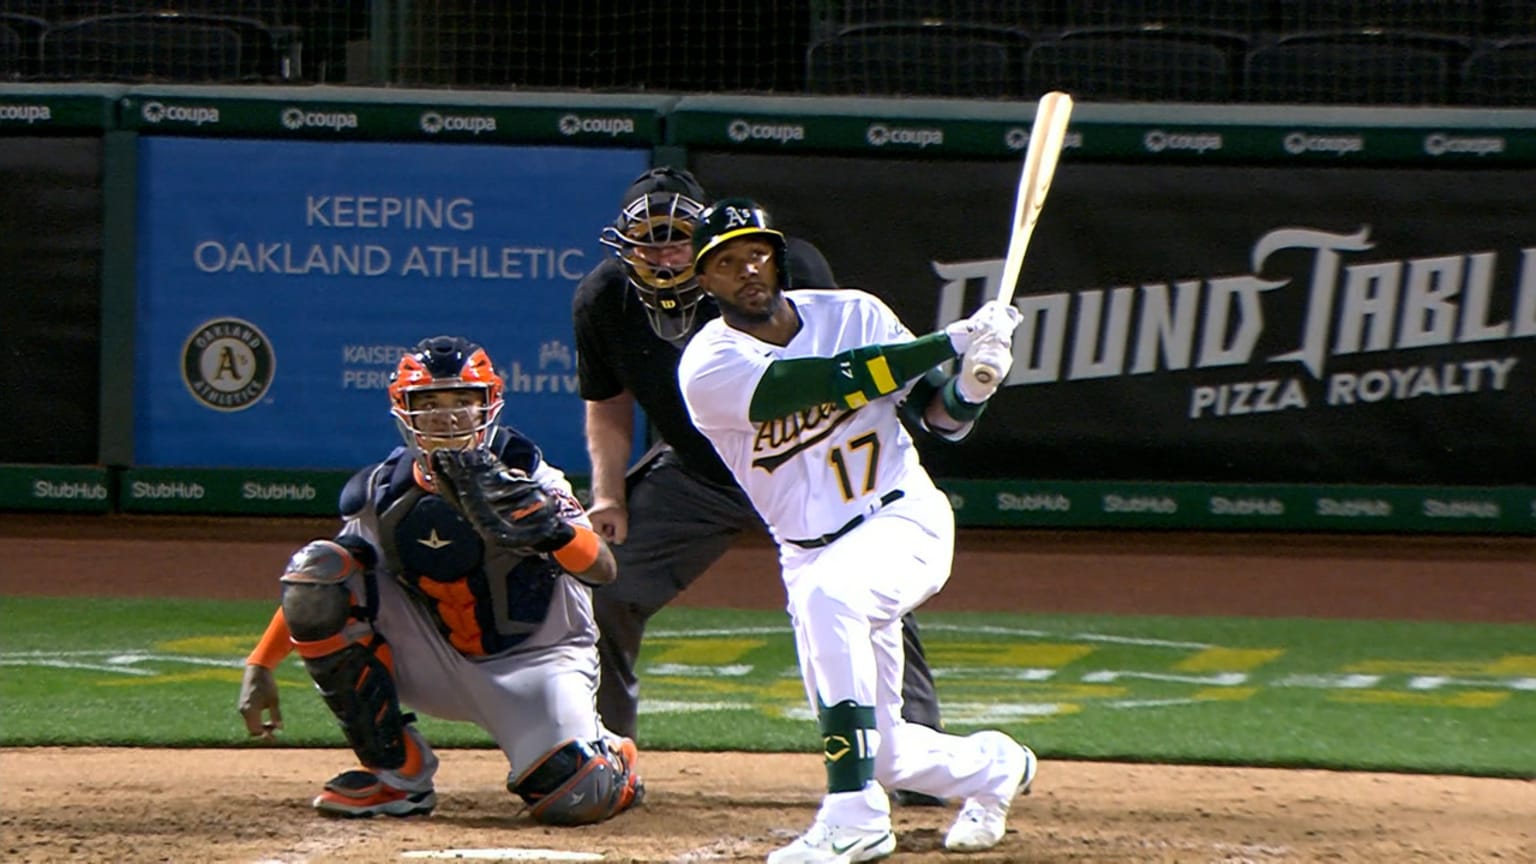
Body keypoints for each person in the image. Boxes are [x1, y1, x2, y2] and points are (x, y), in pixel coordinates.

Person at [574, 168, 950, 807]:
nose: (663, 255)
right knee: (606, 585)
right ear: (625, 245)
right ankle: (610, 757)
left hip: (811, 467)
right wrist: (608, 495)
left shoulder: (782, 266)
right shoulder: (603, 299)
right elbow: (609, 405)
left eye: (676, 239)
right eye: (647, 241)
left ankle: (915, 755)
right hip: (702, 473)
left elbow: (842, 368)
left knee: (866, 593)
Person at [676, 198, 1037, 861]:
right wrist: (951, 341)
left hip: (902, 519)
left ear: (775, 257)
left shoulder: (856, 313)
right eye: (725, 262)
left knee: (832, 598)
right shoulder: (708, 366)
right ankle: (996, 767)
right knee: (886, 751)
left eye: (754, 252)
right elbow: (816, 383)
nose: (746, 269)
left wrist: (977, 382)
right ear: (706, 282)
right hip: (808, 553)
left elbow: (942, 417)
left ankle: (853, 818)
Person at [236, 335, 644, 826]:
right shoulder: (383, 488)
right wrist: (262, 661)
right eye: (429, 404)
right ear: (403, 410)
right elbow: (319, 582)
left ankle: (608, 755)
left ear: (488, 405)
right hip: (432, 652)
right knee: (320, 566)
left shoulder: (529, 475)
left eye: (463, 402)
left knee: (577, 797)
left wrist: (551, 530)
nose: (448, 417)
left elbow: (601, 568)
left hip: (537, 660)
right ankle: (396, 773)